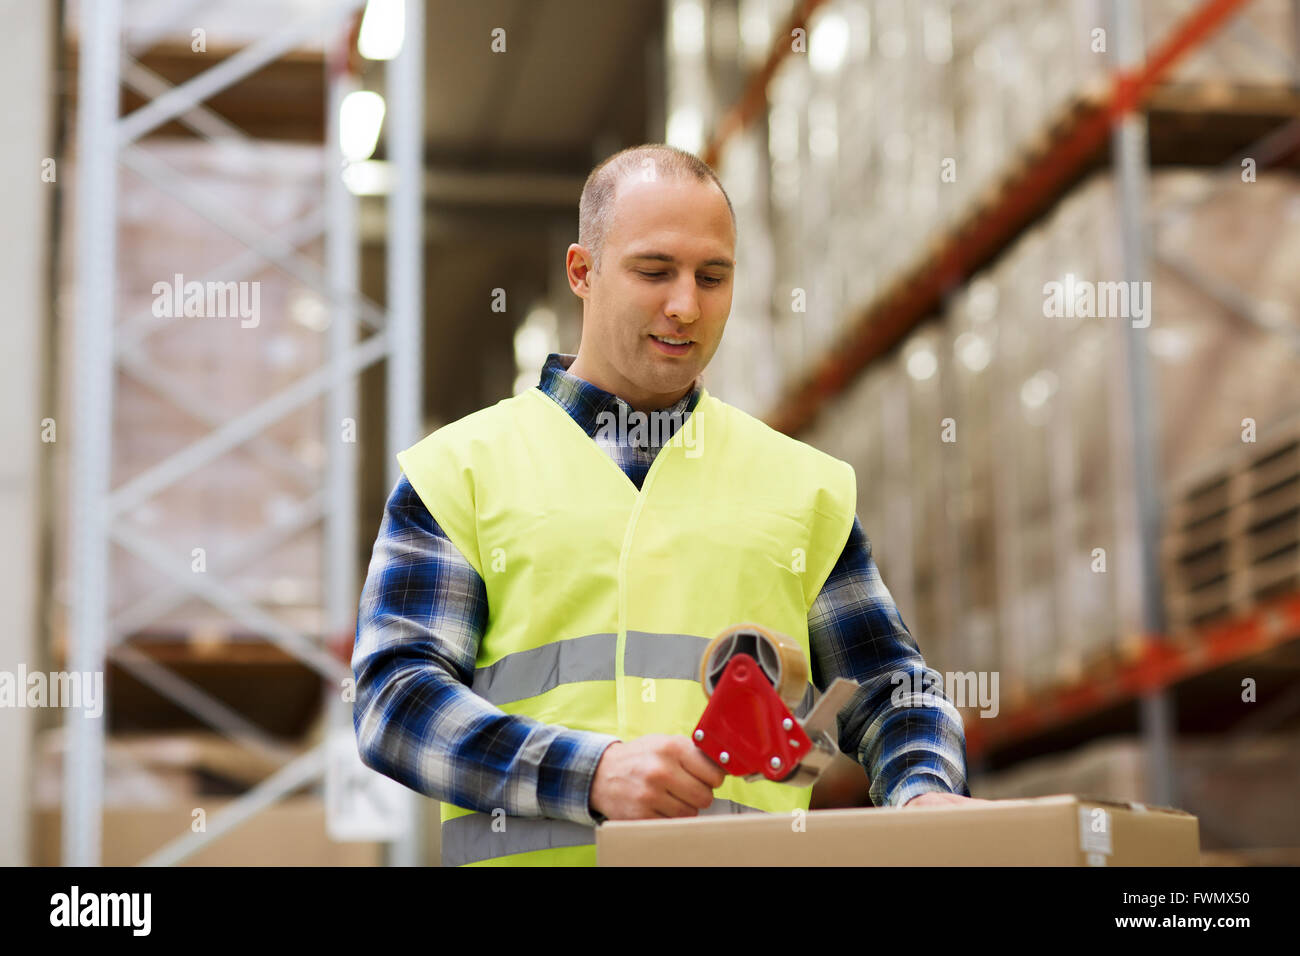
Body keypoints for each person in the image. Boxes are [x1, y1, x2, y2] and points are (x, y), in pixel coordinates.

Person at [352, 143, 975, 868]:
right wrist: (591, 772)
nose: (686, 306)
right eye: (654, 272)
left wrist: (924, 791)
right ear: (582, 273)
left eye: (713, 277)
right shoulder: (459, 473)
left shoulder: (803, 488)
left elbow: (893, 692)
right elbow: (395, 701)